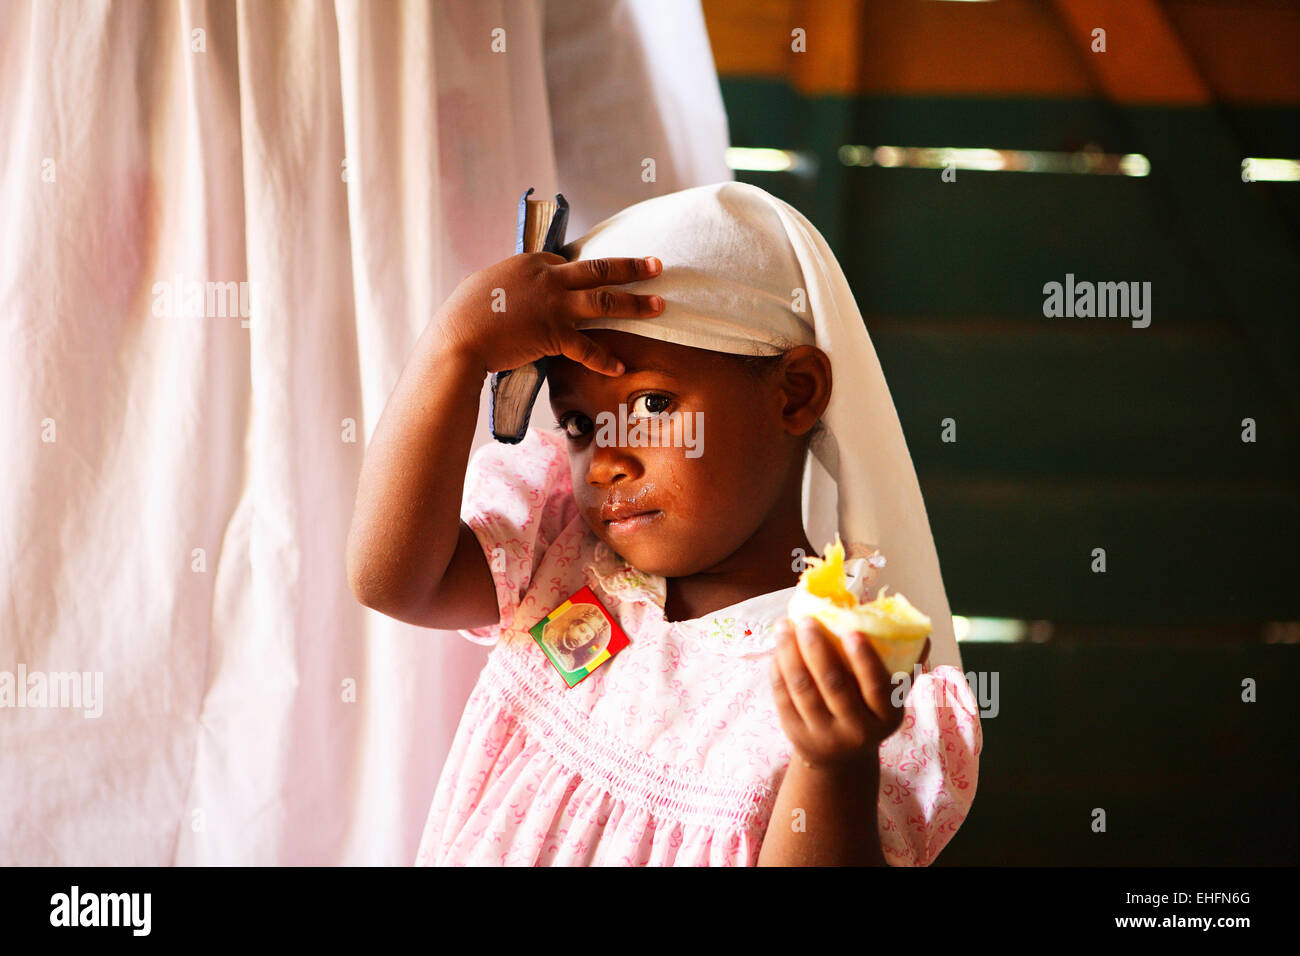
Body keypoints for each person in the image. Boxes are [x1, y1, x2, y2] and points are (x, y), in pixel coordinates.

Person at [347, 181, 982, 866]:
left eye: (651, 402)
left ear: (795, 394)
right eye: (580, 423)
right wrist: (456, 345)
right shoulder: (560, 548)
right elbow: (393, 581)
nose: (605, 460)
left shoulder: (845, 668)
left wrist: (834, 765)